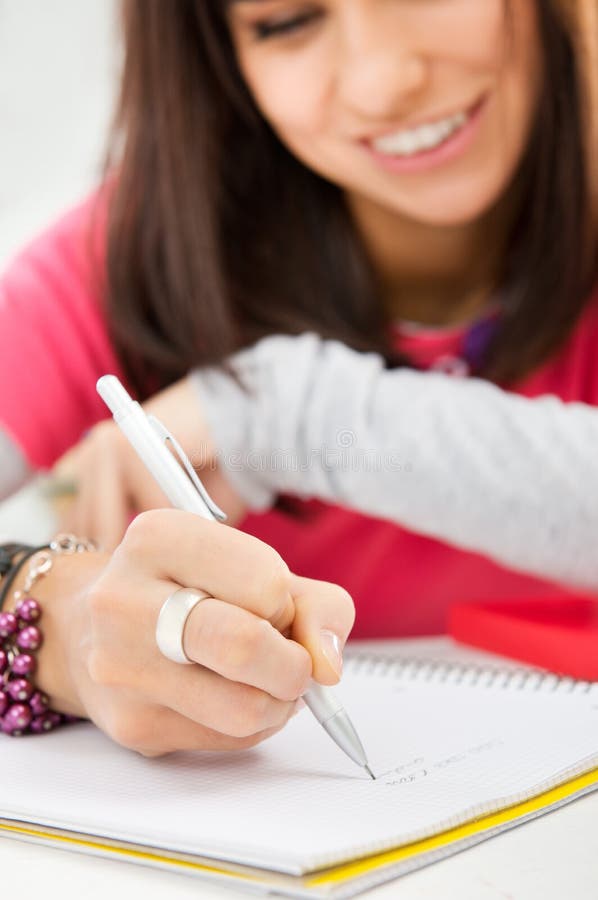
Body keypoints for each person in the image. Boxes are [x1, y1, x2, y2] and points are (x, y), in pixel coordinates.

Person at [0, 0, 597, 752]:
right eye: (285, 22)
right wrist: (52, 622)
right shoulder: (132, 264)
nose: (386, 82)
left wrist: (285, 418)